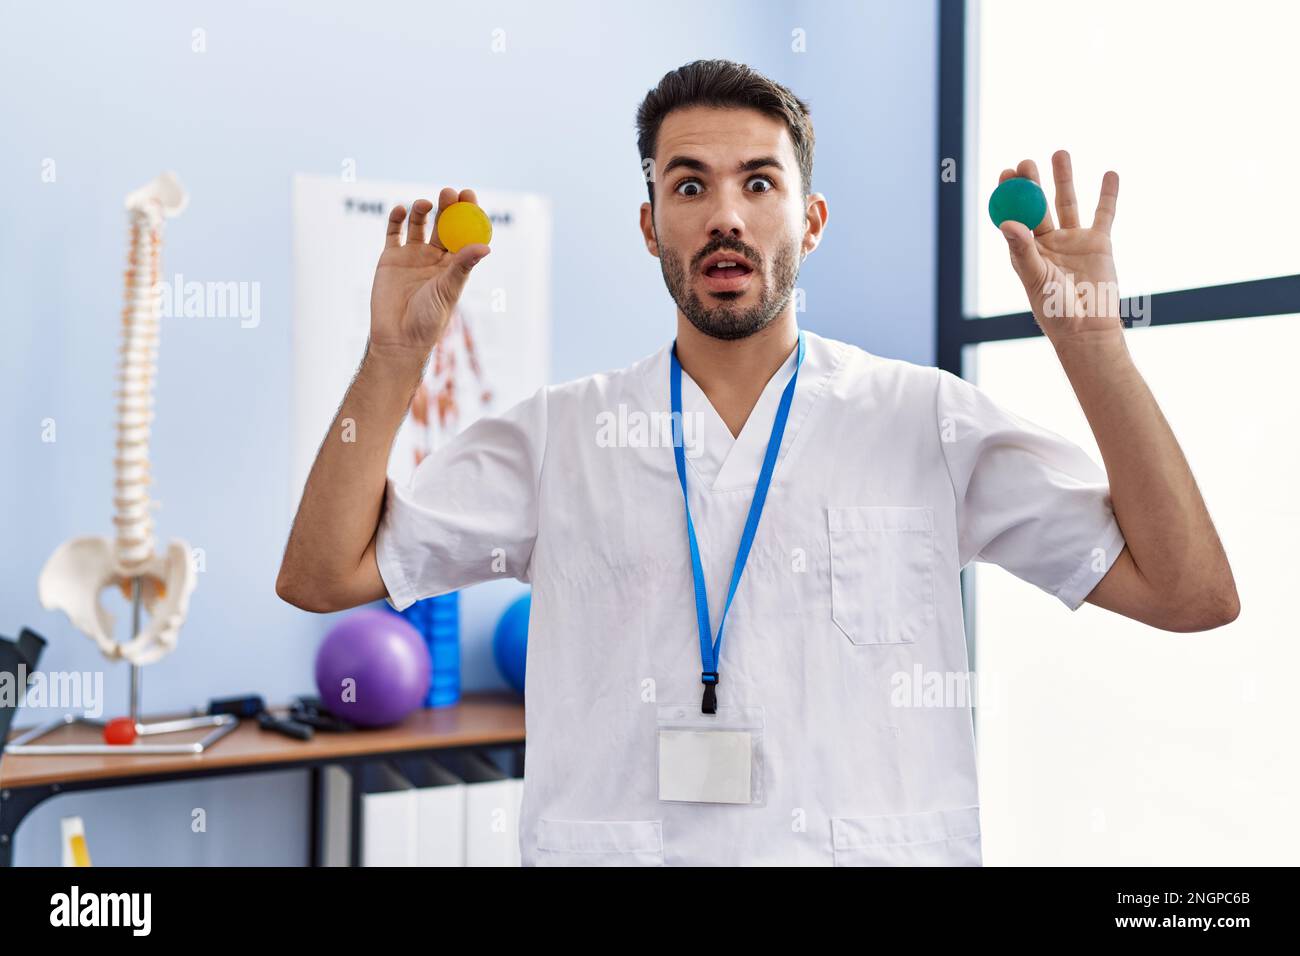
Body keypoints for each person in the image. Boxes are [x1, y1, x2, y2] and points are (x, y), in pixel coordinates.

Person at [276, 59, 1238, 866]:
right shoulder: (556, 439)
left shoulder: (926, 420)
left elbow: (1189, 593)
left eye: (759, 183)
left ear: (810, 222)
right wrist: (393, 358)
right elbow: (323, 575)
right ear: (651, 225)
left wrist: (1093, 345)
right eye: (688, 185)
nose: (723, 215)